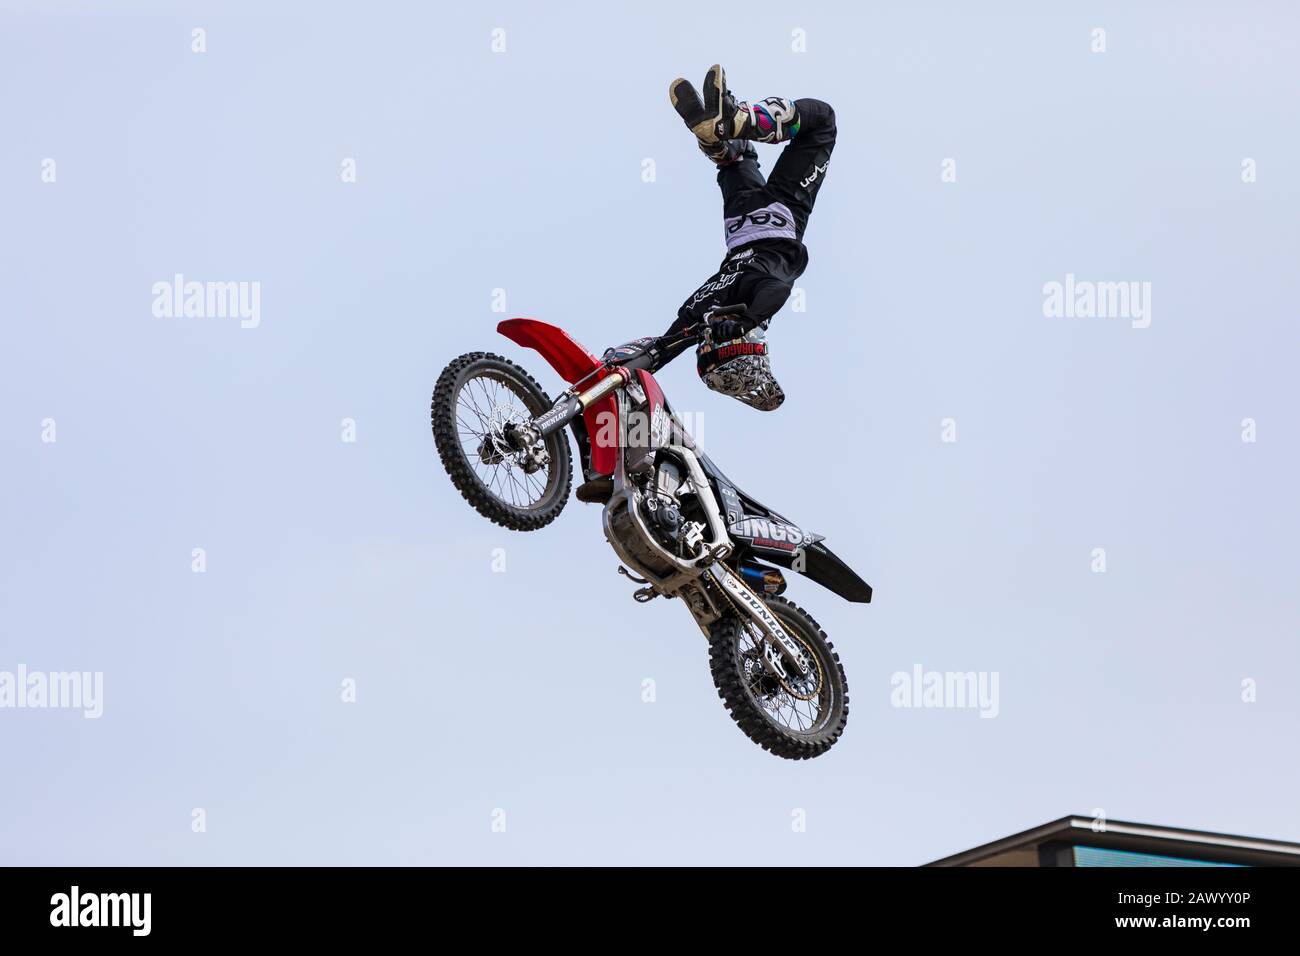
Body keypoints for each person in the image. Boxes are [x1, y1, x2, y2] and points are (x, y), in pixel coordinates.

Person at [653, 64, 837, 411]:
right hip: (744, 219)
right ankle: (717, 138)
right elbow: (665, 345)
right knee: (735, 160)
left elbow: (666, 344)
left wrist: (745, 321)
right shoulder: (709, 302)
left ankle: (736, 122)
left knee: (823, 120)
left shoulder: (731, 301)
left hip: (776, 216)